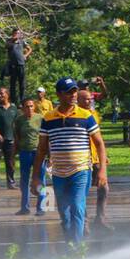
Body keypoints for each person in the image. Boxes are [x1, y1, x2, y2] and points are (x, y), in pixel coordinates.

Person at [32, 77, 105, 244]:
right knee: (64, 213)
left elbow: (100, 144)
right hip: (58, 172)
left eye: (74, 91)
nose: (73, 95)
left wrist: (102, 171)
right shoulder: (49, 118)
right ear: (59, 94)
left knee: (77, 208)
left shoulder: (86, 116)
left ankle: (77, 250)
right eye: (68, 92)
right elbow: (42, 149)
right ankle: (69, 243)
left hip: (81, 170)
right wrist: (35, 177)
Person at [77, 89, 110, 228]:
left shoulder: (94, 114)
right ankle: (84, 221)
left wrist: (104, 155)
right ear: (78, 100)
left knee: (104, 187)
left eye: (90, 99)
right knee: (82, 190)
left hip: (96, 157)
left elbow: (98, 137)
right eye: (85, 99)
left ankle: (100, 217)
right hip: (82, 158)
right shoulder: (76, 115)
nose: (89, 101)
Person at [14, 97, 44, 215]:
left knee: (40, 180)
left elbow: (45, 136)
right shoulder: (19, 120)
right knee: (24, 180)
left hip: (38, 152)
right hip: (25, 152)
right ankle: (24, 207)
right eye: (27, 106)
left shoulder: (40, 118)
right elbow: (17, 136)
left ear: (34, 107)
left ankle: (41, 207)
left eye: (31, 106)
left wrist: (48, 154)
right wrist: (14, 152)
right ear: (22, 108)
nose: (29, 108)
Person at [6, 28, 32, 105]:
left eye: (18, 33)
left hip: (21, 64)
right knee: (12, 84)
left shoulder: (22, 41)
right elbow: (6, 46)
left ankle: (22, 101)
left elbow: (30, 49)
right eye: (15, 33)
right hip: (13, 65)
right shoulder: (9, 41)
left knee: (22, 84)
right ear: (12, 33)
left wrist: (25, 55)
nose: (16, 34)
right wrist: (12, 40)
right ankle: (13, 101)